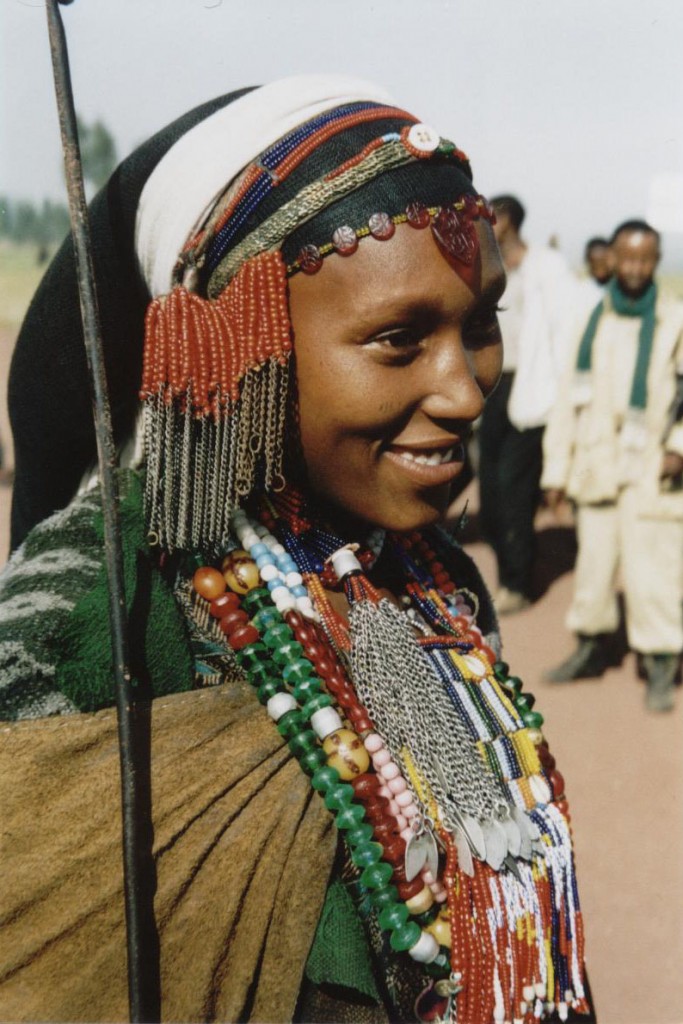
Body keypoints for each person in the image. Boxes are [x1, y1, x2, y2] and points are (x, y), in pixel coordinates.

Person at [0, 77, 592, 1023]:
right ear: (238, 340)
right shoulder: (100, 607)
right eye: (399, 340)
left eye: (479, 324)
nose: (466, 392)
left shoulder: (431, 577)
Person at [542, 220, 683, 712]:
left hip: (652, 468)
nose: (636, 268)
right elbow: (567, 403)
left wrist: (679, 447)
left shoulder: (674, 320)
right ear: (612, 259)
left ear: (656, 259)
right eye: (628, 257)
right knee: (594, 567)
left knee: (655, 572)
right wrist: (555, 472)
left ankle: (661, 662)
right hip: (598, 463)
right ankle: (590, 648)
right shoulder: (592, 321)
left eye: (646, 259)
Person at [477, 195, 575, 614]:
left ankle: (517, 584)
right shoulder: (487, 264)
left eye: (488, 214)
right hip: (494, 391)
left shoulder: (547, 267)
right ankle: (506, 575)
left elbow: (565, 331)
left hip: (533, 391)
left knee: (515, 490)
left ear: (507, 219)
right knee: (489, 492)